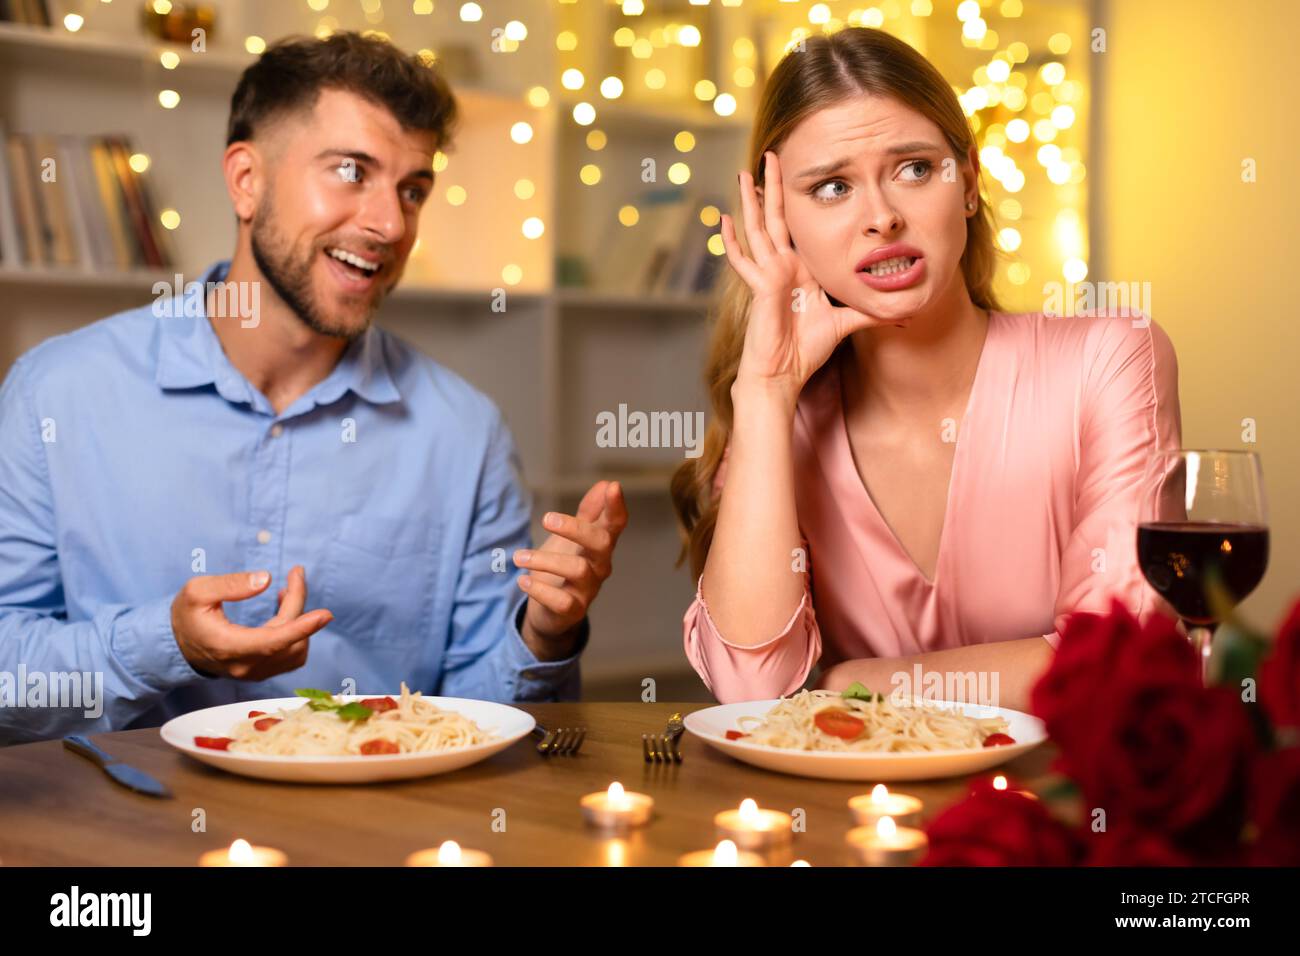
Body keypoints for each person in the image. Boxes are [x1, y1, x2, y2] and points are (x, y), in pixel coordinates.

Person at [0, 32, 626, 745]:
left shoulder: (464, 433)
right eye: (351, 171)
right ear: (246, 181)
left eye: (412, 189)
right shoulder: (58, 393)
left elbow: (482, 726)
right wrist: (163, 643)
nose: (389, 224)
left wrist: (544, 632)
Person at [672, 27, 1179, 712]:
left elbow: (1115, 661)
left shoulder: (1111, 359)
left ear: (967, 181)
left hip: (1060, 815)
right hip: (840, 817)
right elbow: (753, 688)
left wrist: (843, 683)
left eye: (913, 169)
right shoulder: (780, 425)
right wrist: (765, 394)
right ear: (778, 221)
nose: (881, 217)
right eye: (830, 187)